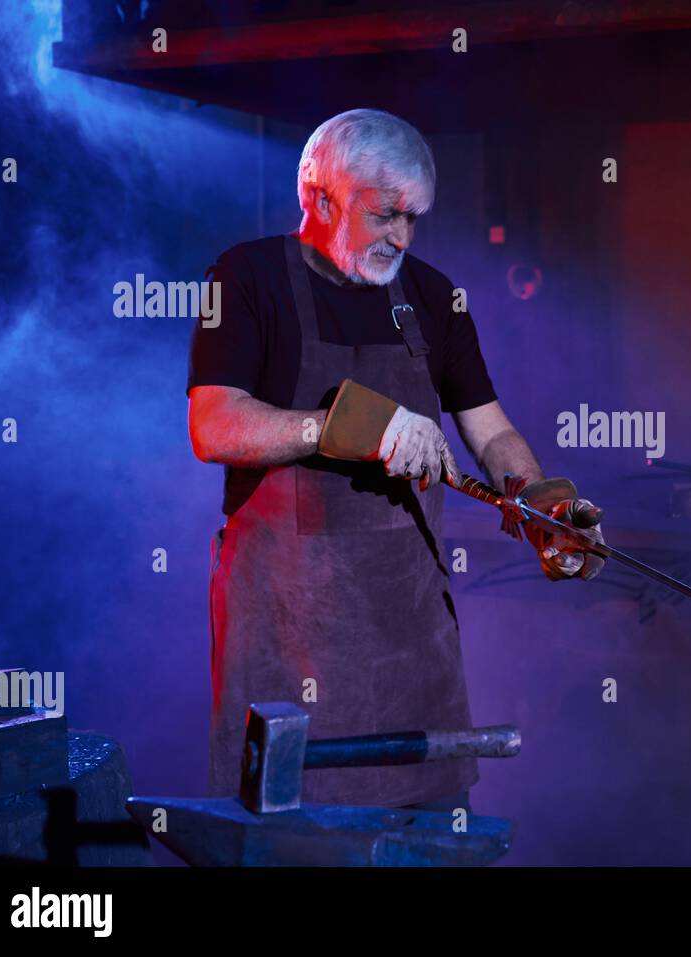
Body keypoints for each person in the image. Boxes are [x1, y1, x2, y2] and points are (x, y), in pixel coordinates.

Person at [186, 108, 604, 809]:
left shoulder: (434, 298)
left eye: (415, 218)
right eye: (386, 215)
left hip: (410, 644)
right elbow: (213, 425)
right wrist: (346, 426)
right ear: (320, 198)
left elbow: (490, 429)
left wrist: (540, 502)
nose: (402, 237)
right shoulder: (246, 277)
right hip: (286, 642)